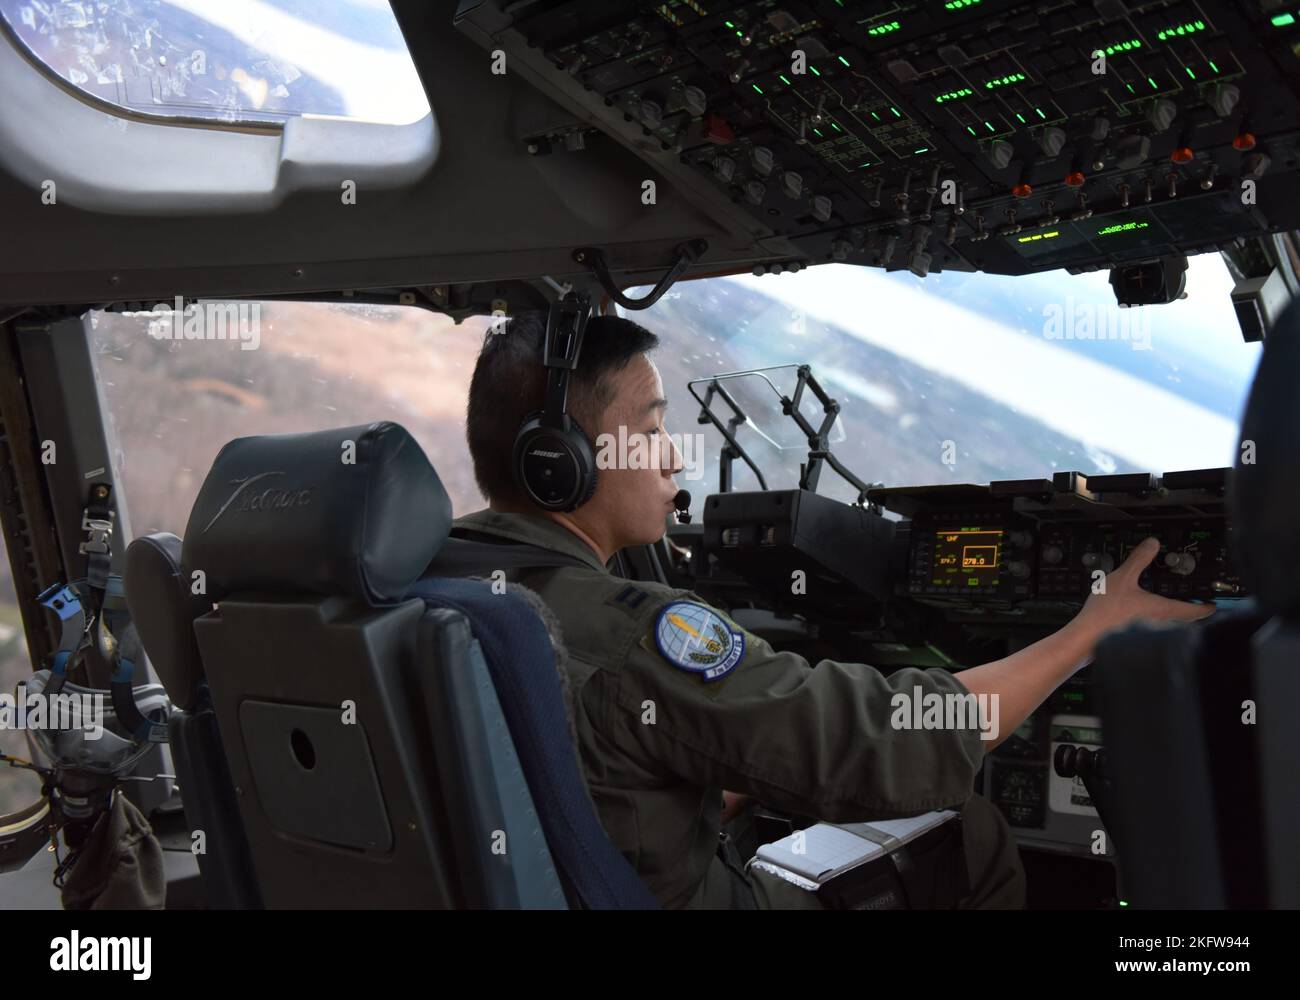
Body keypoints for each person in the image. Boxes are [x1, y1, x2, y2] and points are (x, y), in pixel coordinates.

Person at [425, 309, 1214, 909]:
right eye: (653, 429)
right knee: (967, 829)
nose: (673, 455)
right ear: (560, 462)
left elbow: (590, 774)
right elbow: (888, 737)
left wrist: (744, 762)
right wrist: (1089, 631)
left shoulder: (432, 584)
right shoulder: (634, 630)